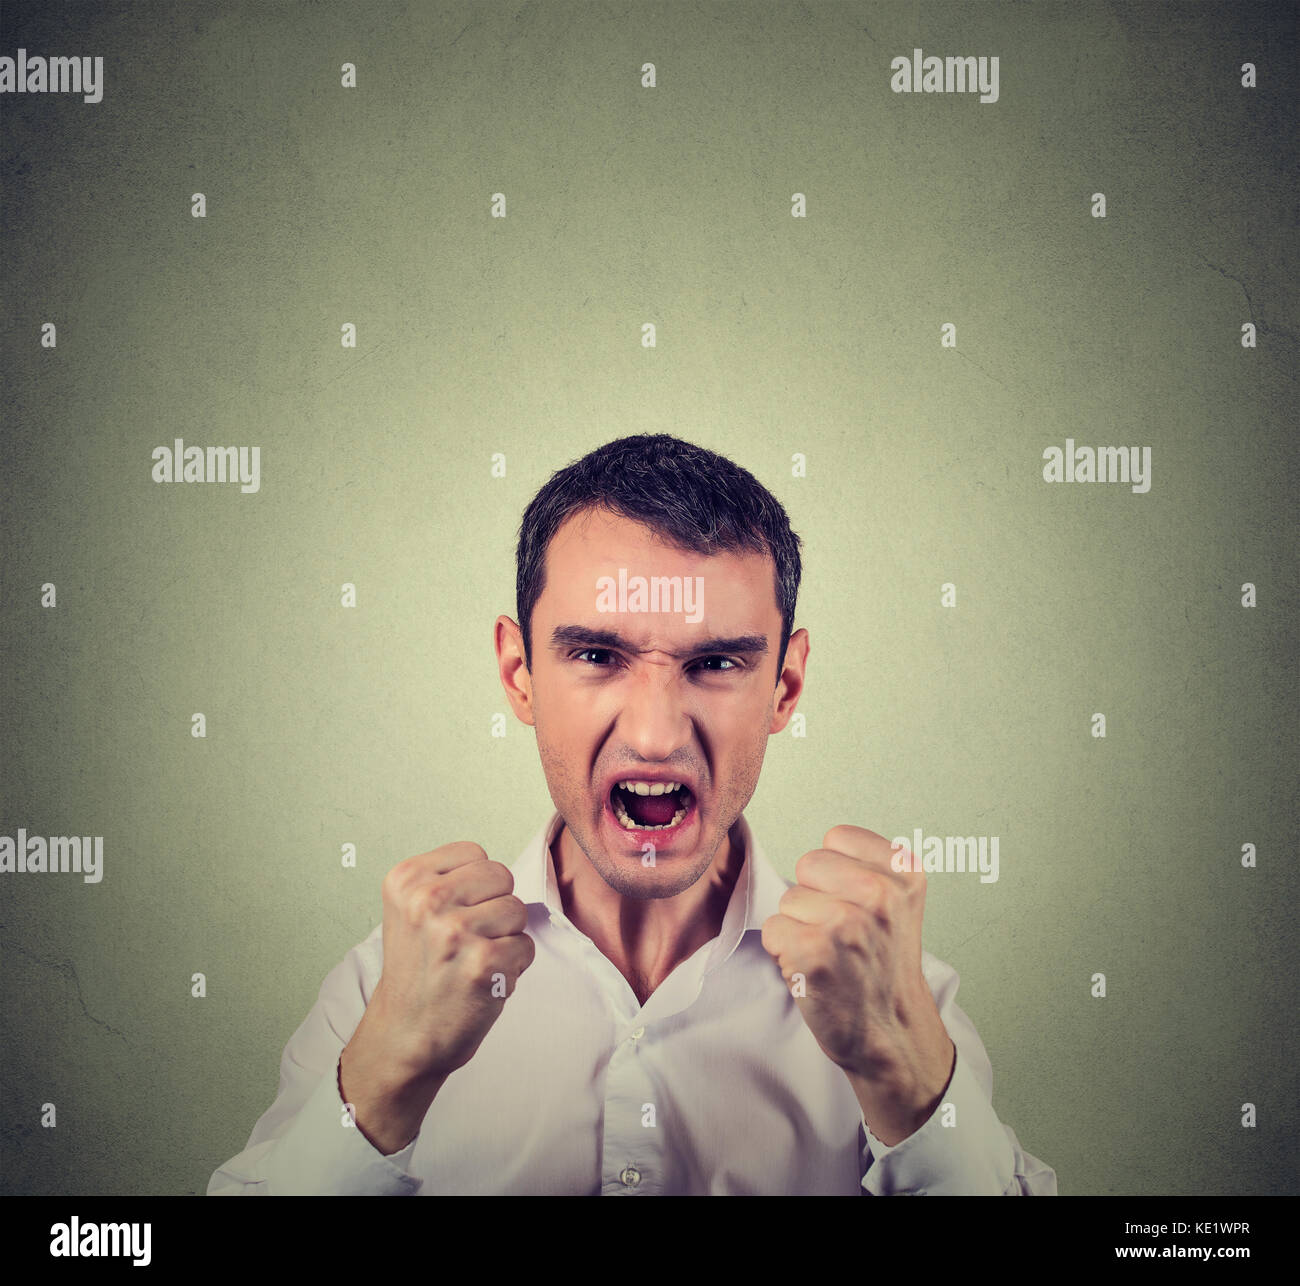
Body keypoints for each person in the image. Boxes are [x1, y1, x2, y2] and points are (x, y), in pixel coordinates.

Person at [208, 434, 1056, 1195]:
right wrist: (383, 1080)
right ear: (519, 674)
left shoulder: (901, 997)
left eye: (717, 661)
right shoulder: (380, 988)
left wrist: (911, 1085)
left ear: (784, 688)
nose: (654, 735)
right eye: (597, 655)